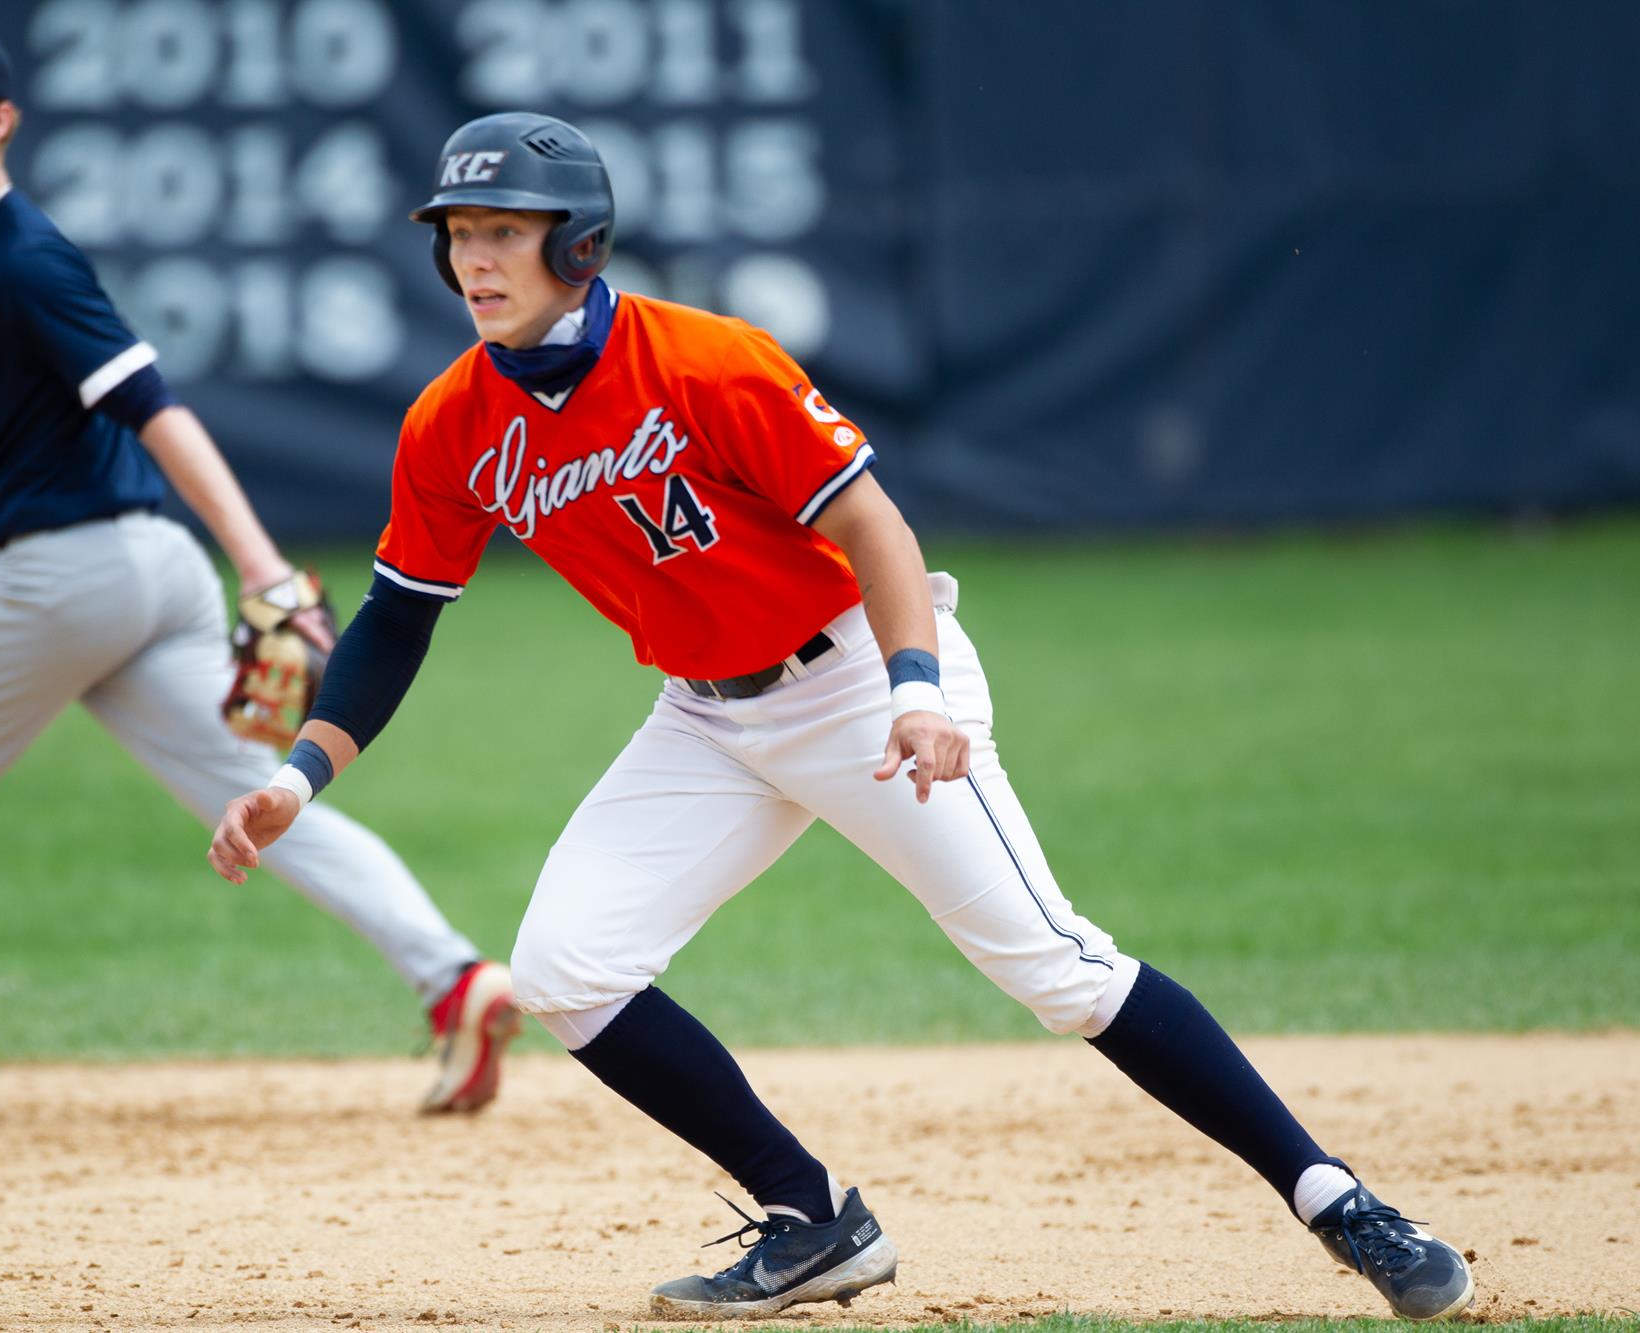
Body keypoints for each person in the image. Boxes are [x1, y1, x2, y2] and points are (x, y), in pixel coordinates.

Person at [208, 112, 1475, 1322]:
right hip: (705, 717)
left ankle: (1339, 1201)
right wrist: (301, 775)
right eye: (459, 233)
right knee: (563, 969)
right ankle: (809, 1217)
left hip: (864, 676)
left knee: (1054, 967)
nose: (474, 259)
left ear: (577, 241)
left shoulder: (705, 362)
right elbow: (396, 616)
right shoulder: (451, 424)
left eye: (504, 230)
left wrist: (918, 690)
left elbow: (871, 525)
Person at [0, 21, 517, 1120]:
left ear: (2, 122)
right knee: (259, 798)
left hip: (78, 570)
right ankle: (456, 979)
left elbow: (154, 407)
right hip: (143, 576)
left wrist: (265, 565)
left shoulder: (24, 255)